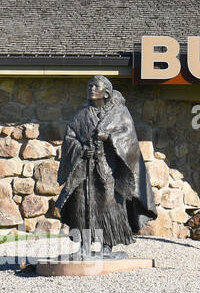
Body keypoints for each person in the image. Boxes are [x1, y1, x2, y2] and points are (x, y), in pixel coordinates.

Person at [55, 76, 156, 252]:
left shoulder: (120, 112)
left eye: (95, 86)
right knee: (81, 205)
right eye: (89, 86)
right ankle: (83, 246)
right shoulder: (81, 114)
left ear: (107, 91)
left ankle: (107, 246)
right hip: (84, 169)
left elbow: (128, 137)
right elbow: (70, 138)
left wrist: (109, 138)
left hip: (109, 170)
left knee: (109, 205)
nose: (91, 89)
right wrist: (80, 149)